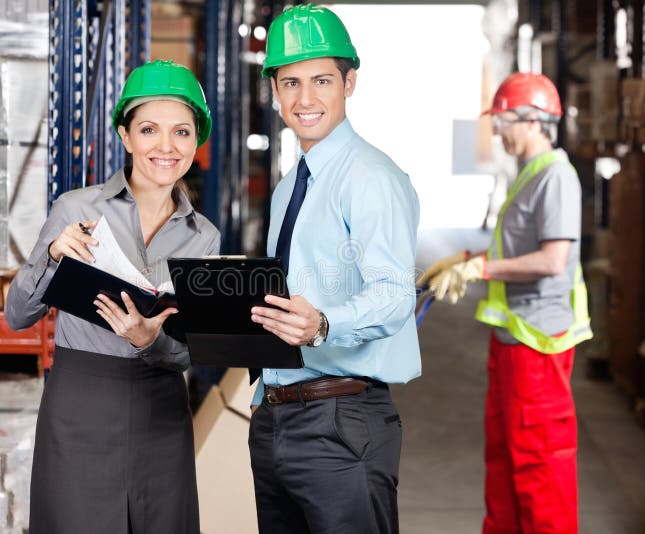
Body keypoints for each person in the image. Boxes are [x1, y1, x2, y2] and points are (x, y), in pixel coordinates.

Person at [4, 60, 219, 534]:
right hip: (80, 407)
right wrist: (54, 258)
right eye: (149, 130)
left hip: (161, 413)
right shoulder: (75, 209)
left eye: (182, 132)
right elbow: (17, 315)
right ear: (126, 136)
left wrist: (151, 341)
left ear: (196, 142)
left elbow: (190, 350)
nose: (166, 146)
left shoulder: (203, 237)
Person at [247, 5, 420, 534]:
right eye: (290, 82)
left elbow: (394, 293)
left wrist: (322, 324)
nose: (305, 99)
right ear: (274, 92)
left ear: (350, 83)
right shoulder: (288, 188)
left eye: (321, 80)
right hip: (277, 416)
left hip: (341, 421)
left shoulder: (370, 177)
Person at [419, 72, 592, 534]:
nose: (497, 132)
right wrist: (468, 257)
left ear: (533, 121)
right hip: (513, 339)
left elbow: (553, 259)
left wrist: (483, 270)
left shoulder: (556, 177)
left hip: (539, 345)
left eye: (503, 122)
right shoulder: (531, 175)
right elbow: (519, 246)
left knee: (540, 467)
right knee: (504, 459)